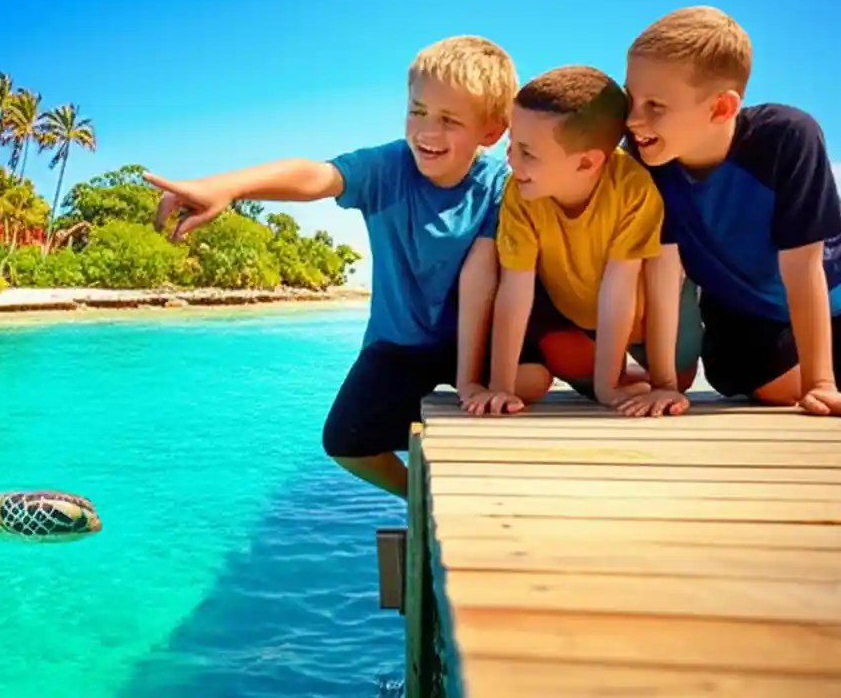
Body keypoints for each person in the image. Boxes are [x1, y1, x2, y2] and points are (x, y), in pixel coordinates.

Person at [143, 35, 550, 499]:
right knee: (345, 442)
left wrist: (472, 381)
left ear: (491, 132)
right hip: (401, 343)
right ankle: (424, 493)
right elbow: (316, 176)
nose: (426, 132)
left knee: (532, 380)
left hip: (477, 336)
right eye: (417, 111)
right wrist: (227, 187)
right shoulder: (387, 167)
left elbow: (482, 279)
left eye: (449, 120)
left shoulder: (499, 185)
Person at [624, 6, 841, 418]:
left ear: (720, 109)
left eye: (655, 105)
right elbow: (660, 269)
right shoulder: (646, 161)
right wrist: (663, 383)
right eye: (631, 99)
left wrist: (819, 384)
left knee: (820, 383)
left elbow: (803, 267)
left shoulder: (786, 137)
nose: (633, 119)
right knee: (745, 374)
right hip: (751, 317)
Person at [465, 65, 700, 418]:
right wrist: (500, 386)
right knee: (566, 361)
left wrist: (609, 387)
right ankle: (612, 372)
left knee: (674, 385)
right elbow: (515, 288)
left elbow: (618, 289)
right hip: (574, 312)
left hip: (639, 309)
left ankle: (622, 372)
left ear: (587, 162)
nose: (510, 160)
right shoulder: (520, 193)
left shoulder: (632, 189)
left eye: (528, 152)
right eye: (511, 144)